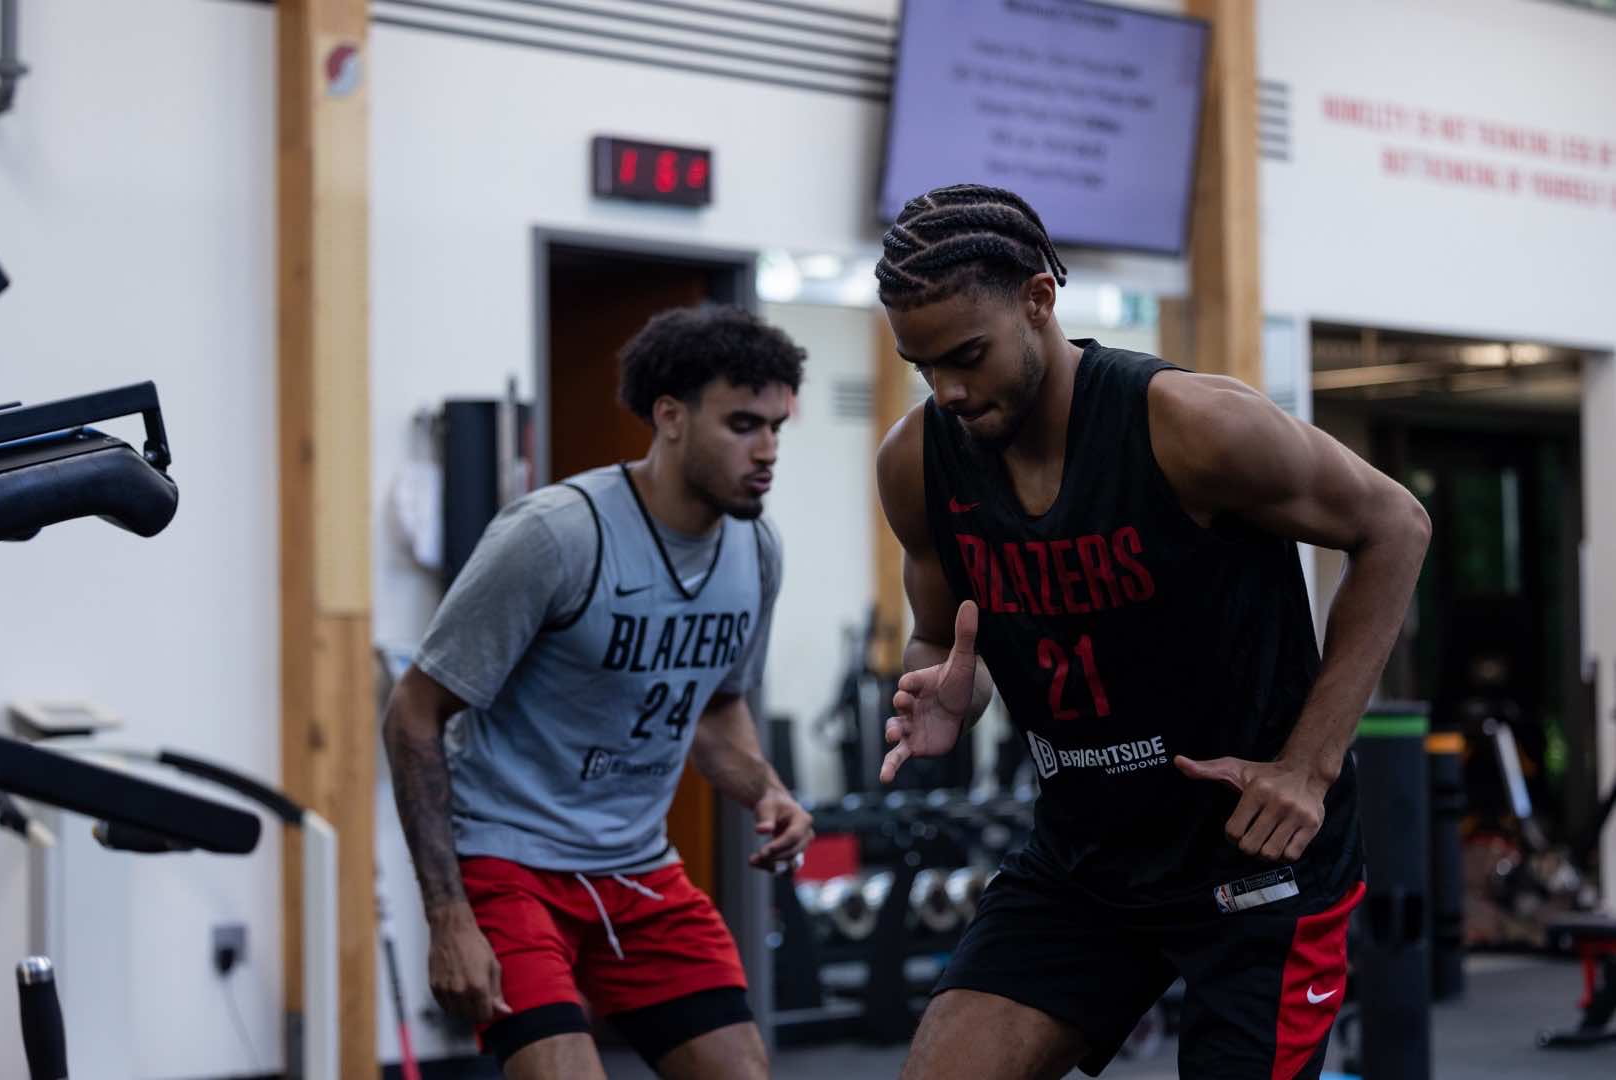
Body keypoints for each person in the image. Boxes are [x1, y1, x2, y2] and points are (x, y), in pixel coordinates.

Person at [872, 185, 1431, 1080]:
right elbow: (941, 641)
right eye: (922, 365)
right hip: (1086, 857)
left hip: (1257, 855)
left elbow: (1397, 526)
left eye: (967, 356)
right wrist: (948, 690)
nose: (949, 390)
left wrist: (1309, 767)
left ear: (1039, 300)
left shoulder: (1192, 426)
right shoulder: (919, 460)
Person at [383, 304, 813, 1080]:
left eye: (779, 427)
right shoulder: (556, 536)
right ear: (671, 417)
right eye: (745, 424)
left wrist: (766, 790)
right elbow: (413, 712)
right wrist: (447, 914)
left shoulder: (756, 548)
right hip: (509, 863)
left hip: (638, 867)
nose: (768, 450)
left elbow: (714, 705)